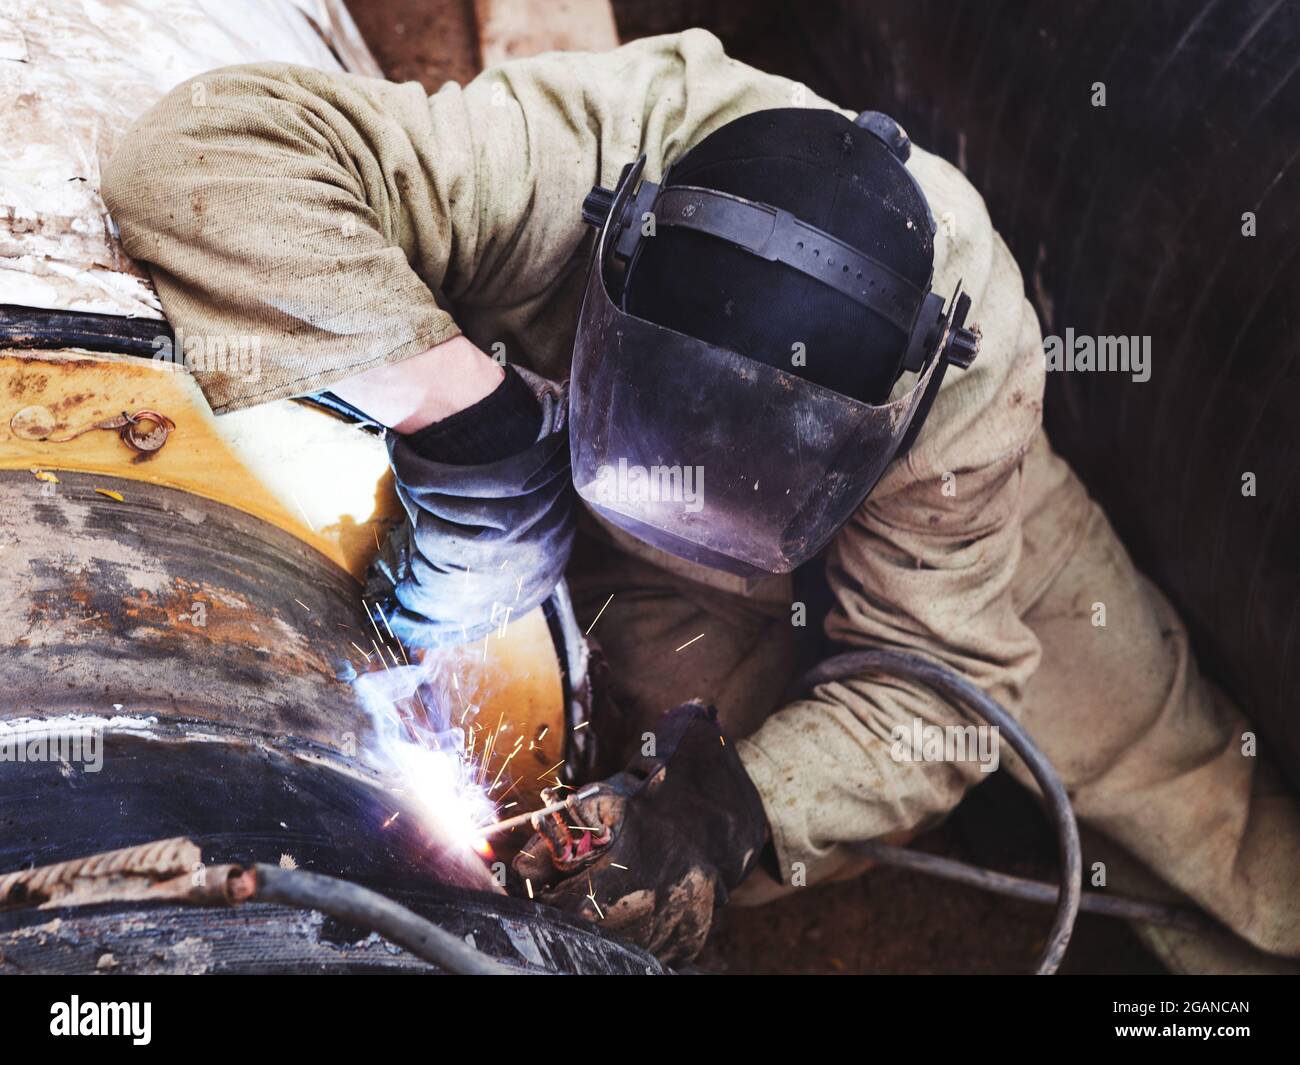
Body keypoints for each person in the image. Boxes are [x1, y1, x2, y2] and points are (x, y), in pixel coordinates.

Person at [102, 29, 1300, 968]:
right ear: (614, 247)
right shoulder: (569, 154)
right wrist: (463, 416)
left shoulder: (965, 383)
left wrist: (731, 813)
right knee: (624, 726)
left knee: (1166, 765)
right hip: (571, 450)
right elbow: (202, 152)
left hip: (923, 537)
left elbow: (950, 684)